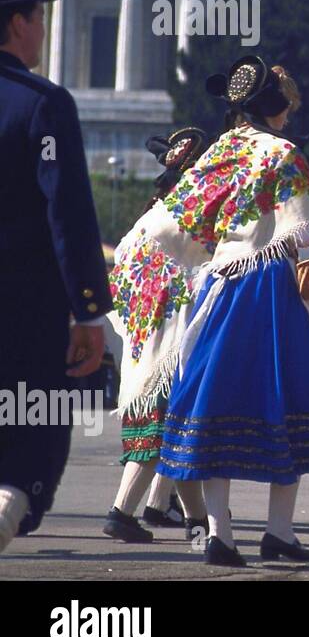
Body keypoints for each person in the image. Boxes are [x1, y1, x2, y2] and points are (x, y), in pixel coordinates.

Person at [154, 56, 309, 566]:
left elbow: (167, 225)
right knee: (291, 400)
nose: (289, 115)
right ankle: (278, 531)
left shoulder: (216, 152)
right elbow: (308, 223)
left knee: (214, 405)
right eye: (285, 106)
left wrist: (212, 256)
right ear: (273, 106)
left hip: (220, 286)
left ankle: (221, 533)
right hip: (270, 288)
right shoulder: (283, 152)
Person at [0, 0, 111, 554]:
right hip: (23, 308)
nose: (43, 30)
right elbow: (65, 213)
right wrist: (89, 310)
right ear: (19, 23)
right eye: (38, 17)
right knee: (28, 440)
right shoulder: (43, 103)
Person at [102, 127, 210, 543]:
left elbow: (122, 280)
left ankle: (196, 521)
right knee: (169, 432)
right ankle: (124, 512)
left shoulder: (148, 218)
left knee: (167, 434)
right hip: (175, 341)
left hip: (145, 342)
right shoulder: (191, 216)